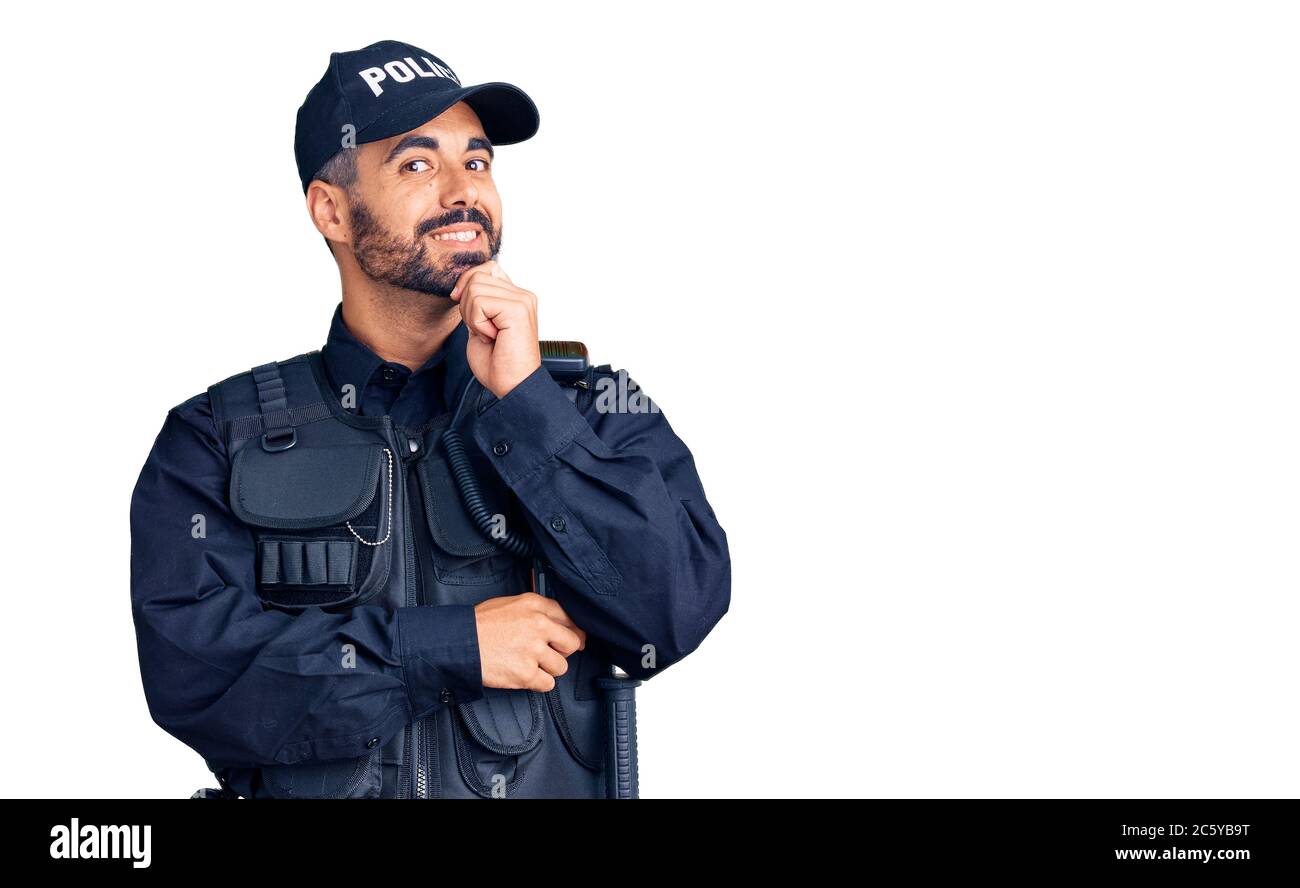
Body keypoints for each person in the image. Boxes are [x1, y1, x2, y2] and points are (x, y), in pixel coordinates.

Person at [129, 40, 731, 798]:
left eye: (477, 162)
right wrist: (450, 649)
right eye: (418, 165)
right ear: (332, 210)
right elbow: (197, 680)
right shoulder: (217, 438)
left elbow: (671, 615)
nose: (463, 191)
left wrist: (529, 409)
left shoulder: (588, 409)